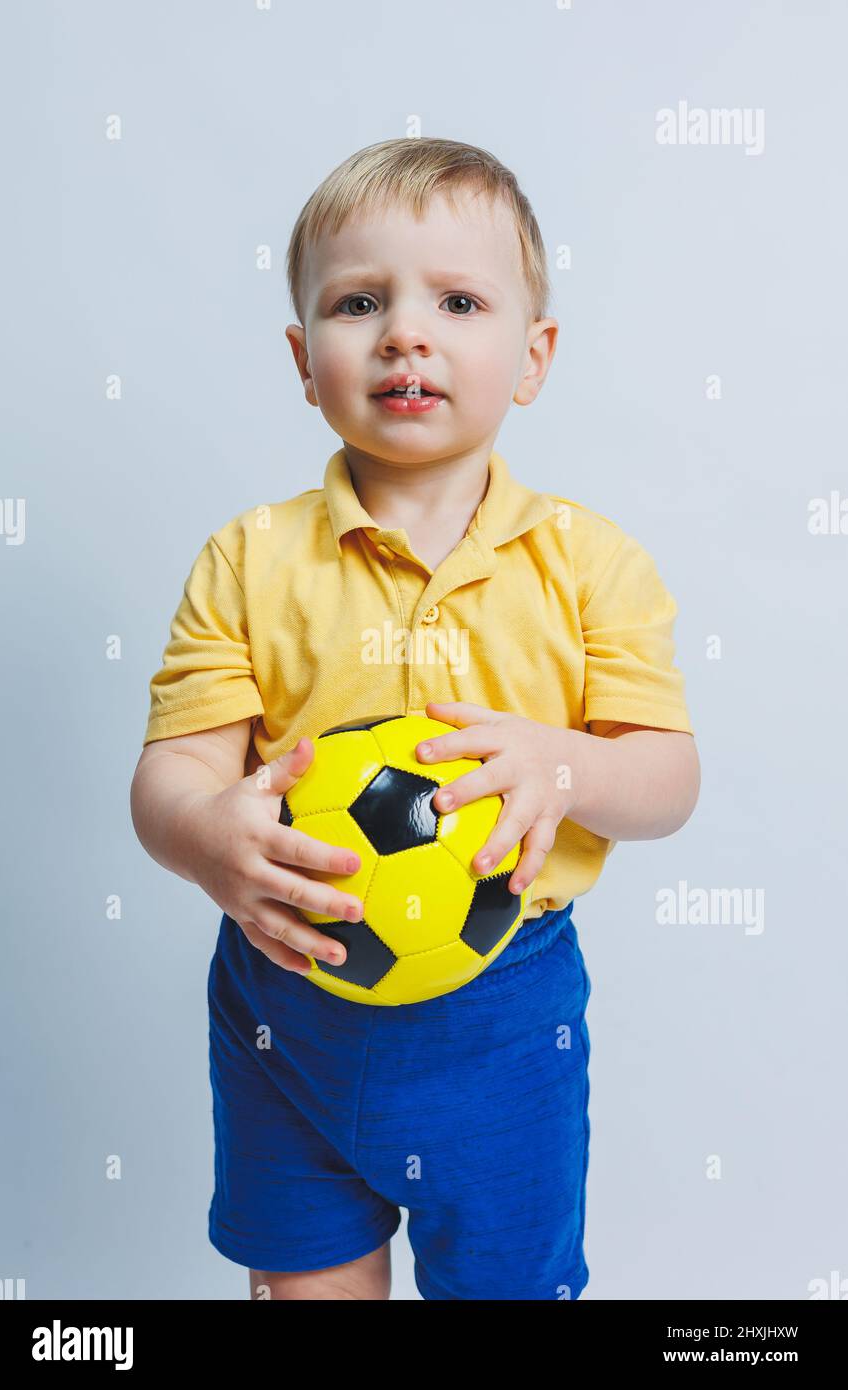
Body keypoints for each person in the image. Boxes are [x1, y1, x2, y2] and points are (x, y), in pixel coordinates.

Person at [130, 136, 700, 1300]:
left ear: (531, 355)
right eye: (357, 302)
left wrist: (566, 768)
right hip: (285, 995)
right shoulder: (246, 560)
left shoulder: (589, 564)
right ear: (303, 358)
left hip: (501, 1015)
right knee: (304, 1282)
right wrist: (207, 840)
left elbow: (668, 777)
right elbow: (170, 777)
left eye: (457, 299)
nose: (404, 332)